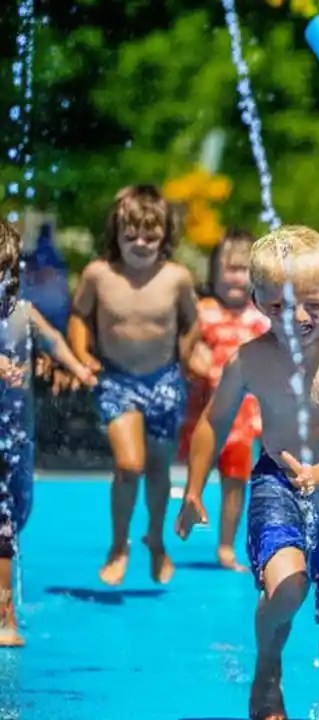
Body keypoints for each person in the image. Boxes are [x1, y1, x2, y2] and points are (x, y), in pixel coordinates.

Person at [175, 225, 319, 720]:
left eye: (311, 303)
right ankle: (268, 667)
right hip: (279, 484)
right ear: (257, 300)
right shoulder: (249, 359)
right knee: (287, 587)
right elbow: (214, 422)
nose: (297, 317)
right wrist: (195, 488)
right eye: (279, 306)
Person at [68, 185, 199, 585]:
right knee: (129, 466)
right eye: (131, 235)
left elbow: (191, 321)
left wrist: (187, 356)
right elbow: (78, 315)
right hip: (117, 380)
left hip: (163, 380)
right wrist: (81, 355)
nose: (141, 243)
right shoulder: (99, 275)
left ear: (165, 235)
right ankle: (118, 544)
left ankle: (156, 541)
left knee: (159, 470)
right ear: (116, 232)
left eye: (151, 235)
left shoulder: (176, 278)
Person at [0, 219, 96, 646]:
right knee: (2, 523)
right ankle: (5, 615)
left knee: (20, 511)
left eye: (4, 271)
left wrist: (79, 368)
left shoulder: (21, 310)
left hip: (18, 437)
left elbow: (53, 339)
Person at [179, 228, 271, 571]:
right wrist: (193, 359)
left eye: (245, 269)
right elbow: (184, 351)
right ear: (214, 272)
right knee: (198, 469)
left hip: (244, 418)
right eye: (229, 268)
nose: (237, 276)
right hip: (205, 411)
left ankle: (226, 546)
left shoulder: (260, 317)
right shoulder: (203, 312)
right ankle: (191, 503)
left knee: (236, 480)